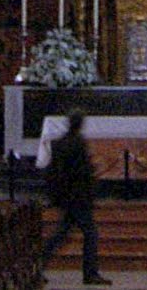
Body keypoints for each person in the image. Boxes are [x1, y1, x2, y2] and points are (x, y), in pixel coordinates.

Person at [42, 111, 109, 284]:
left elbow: (56, 171)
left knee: (61, 234)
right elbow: (80, 172)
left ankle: (36, 265)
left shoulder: (61, 142)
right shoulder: (77, 143)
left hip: (68, 196)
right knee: (90, 234)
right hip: (78, 197)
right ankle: (90, 273)